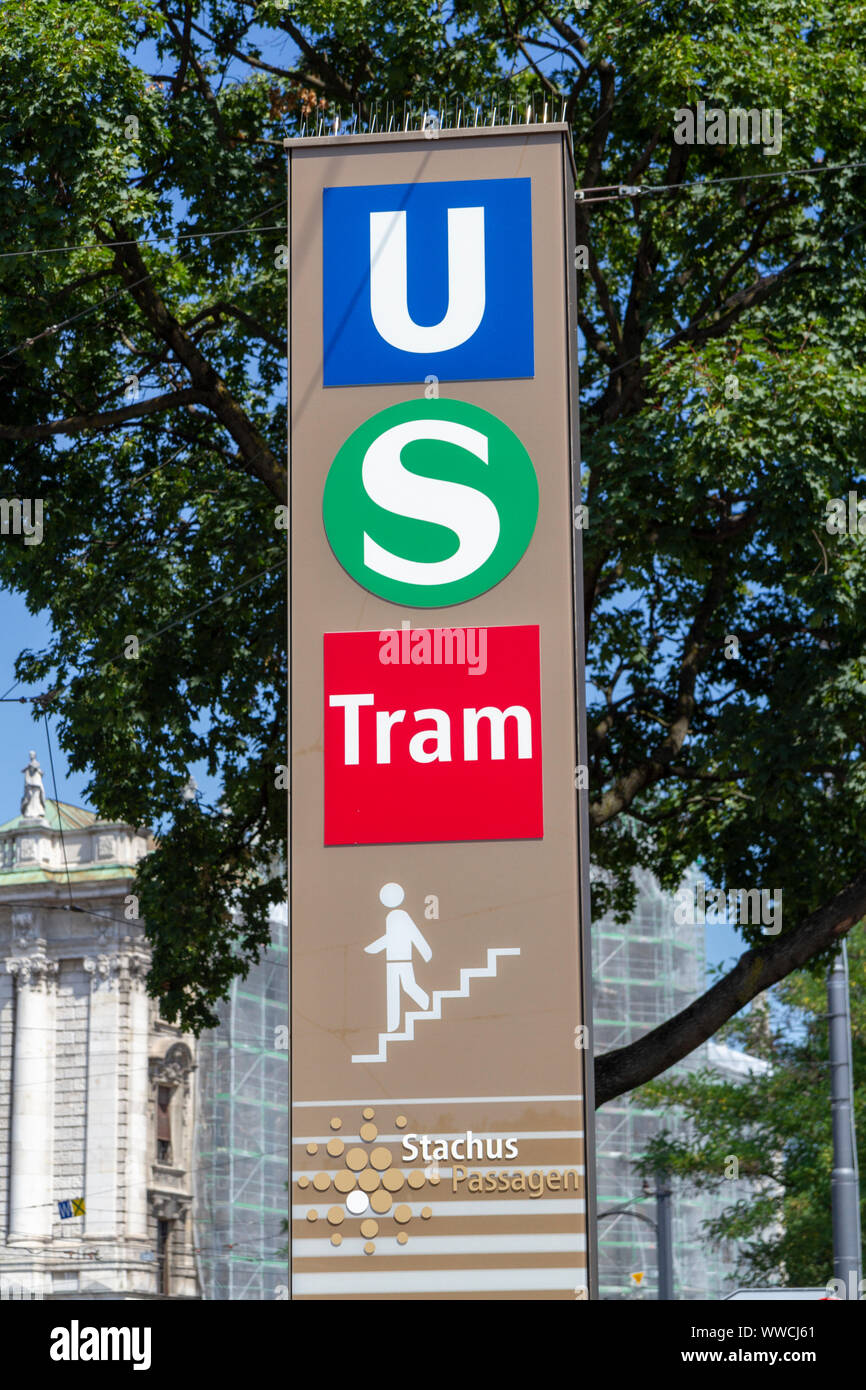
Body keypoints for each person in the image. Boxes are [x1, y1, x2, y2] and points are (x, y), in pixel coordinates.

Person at [365, 883, 432, 1033]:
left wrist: (425, 951)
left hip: (401, 960)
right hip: (392, 962)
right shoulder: (393, 916)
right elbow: (391, 938)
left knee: (407, 987)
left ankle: (427, 1003)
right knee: (394, 992)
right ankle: (392, 1026)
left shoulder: (399, 915)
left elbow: (410, 935)